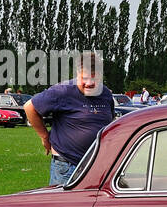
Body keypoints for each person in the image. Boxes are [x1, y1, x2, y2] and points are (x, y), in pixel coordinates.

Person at [24, 52, 116, 187]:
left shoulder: (106, 94)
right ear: (77, 74)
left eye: (94, 79)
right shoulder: (63, 91)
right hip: (67, 167)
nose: (89, 83)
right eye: (84, 78)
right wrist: (44, 136)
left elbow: (110, 121)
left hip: (96, 167)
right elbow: (29, 108)